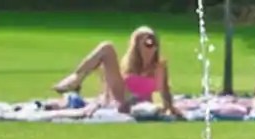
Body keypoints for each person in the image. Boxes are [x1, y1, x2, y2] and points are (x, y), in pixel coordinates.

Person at [52, 26, 183, 118]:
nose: (151, 48)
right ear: (136, 46)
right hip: (122, 97)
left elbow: (164, 93)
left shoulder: (159, 66)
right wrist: (102, 101)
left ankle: (76, 81)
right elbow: (110, 87)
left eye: (154, 44)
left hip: (141, 104)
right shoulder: (128, 64)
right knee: (107, 47)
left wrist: (168, 108)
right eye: (147, 44)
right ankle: (77, 78)